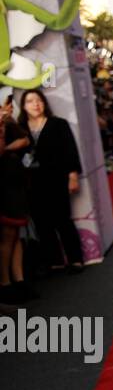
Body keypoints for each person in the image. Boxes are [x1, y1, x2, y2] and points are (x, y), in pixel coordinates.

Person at [18, 89, 86, 273]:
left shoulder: (58, 124)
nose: (35, 104)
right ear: (23, 107)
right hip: (33, 183)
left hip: (57, 178)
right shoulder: (20, 129)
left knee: (63, 219)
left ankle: (75, 259)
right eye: (30, 101)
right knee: (42, 222)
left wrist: (72, 176)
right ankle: (55, 261)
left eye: (38, 100)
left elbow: (70, 150)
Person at [0, 99, 34, 305]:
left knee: (17, 236)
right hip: (3, 188)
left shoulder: (9, 122)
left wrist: (6, 123)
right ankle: (6, 284)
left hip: (15, 184)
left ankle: (19, 281)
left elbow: (25, 140)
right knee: (7, 236)